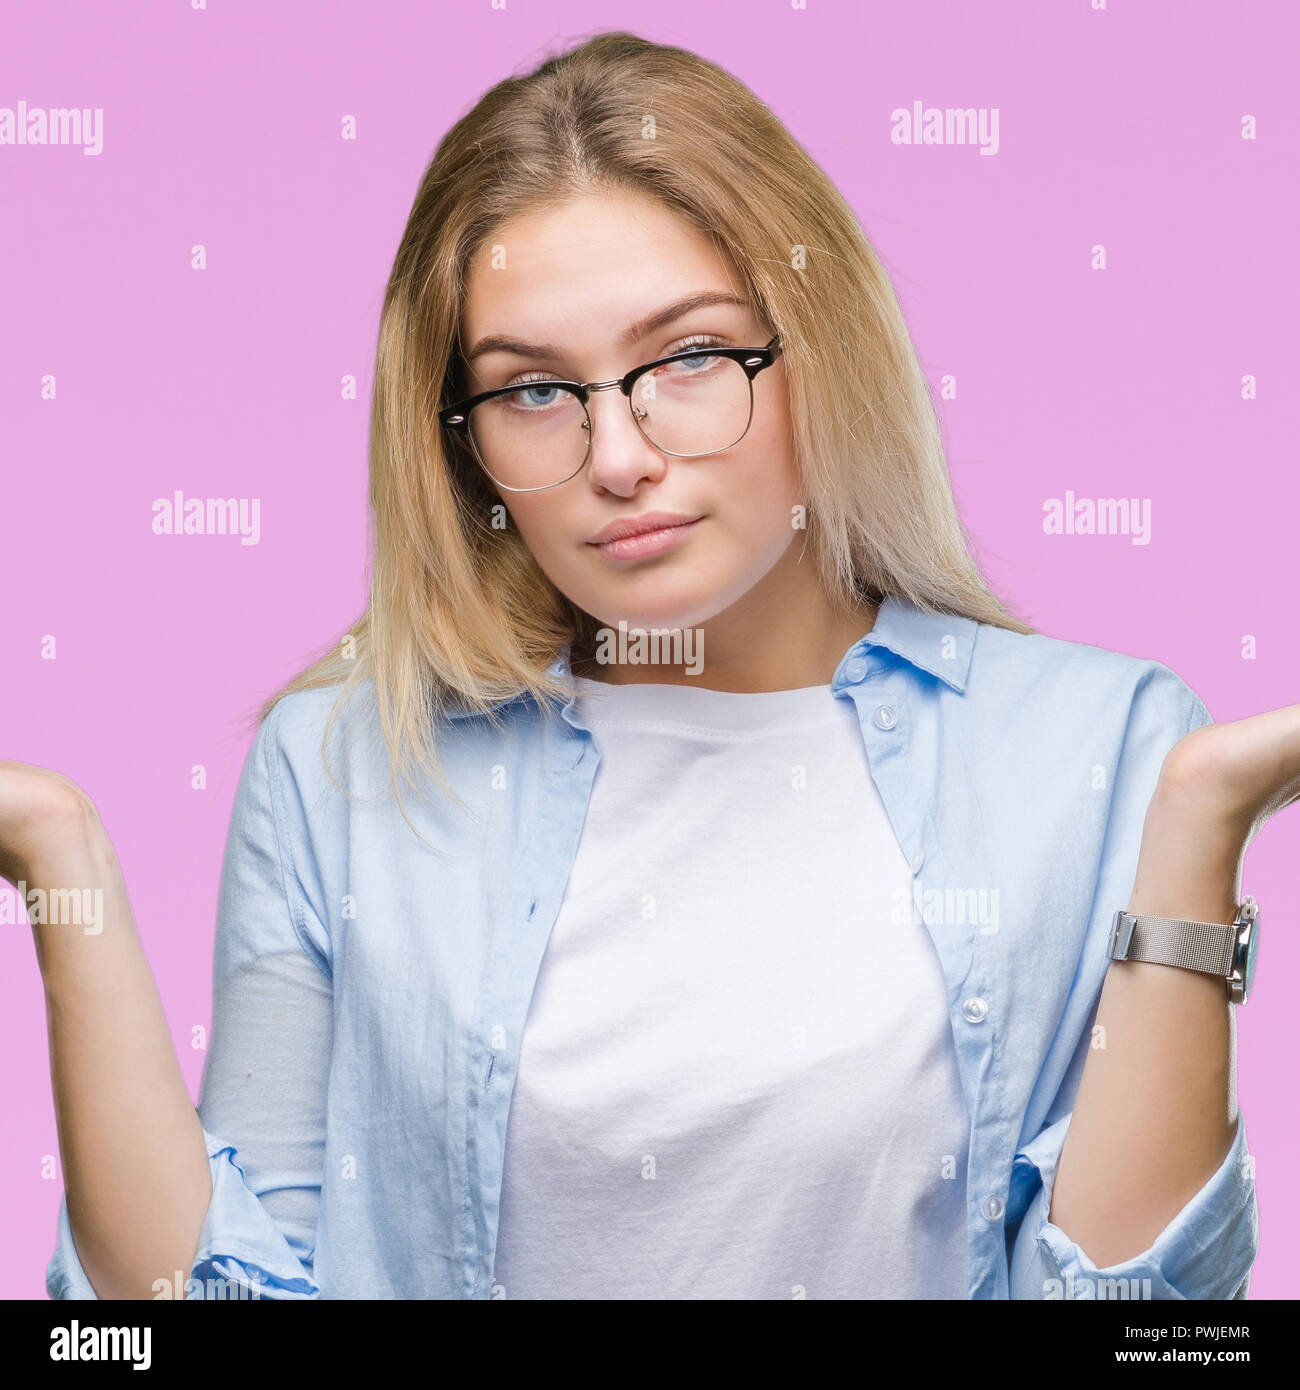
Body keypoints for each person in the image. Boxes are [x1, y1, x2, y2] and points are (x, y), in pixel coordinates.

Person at [7, 30, 1291, 1302]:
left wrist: (1199, 820)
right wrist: (57, 854)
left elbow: (1140, 1326)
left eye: (685, 359)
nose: (615, 455)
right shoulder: (346, 767)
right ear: (460, 442)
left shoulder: (1095, 746)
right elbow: (198, 1315)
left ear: (817, 346)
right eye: (531, 390)